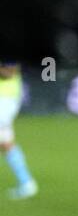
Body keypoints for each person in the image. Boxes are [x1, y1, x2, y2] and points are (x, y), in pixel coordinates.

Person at [0, 63, 38, 200]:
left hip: (4, 101)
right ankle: (26, 182)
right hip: (5, 101)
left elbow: (9, 72)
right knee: (5, 143)